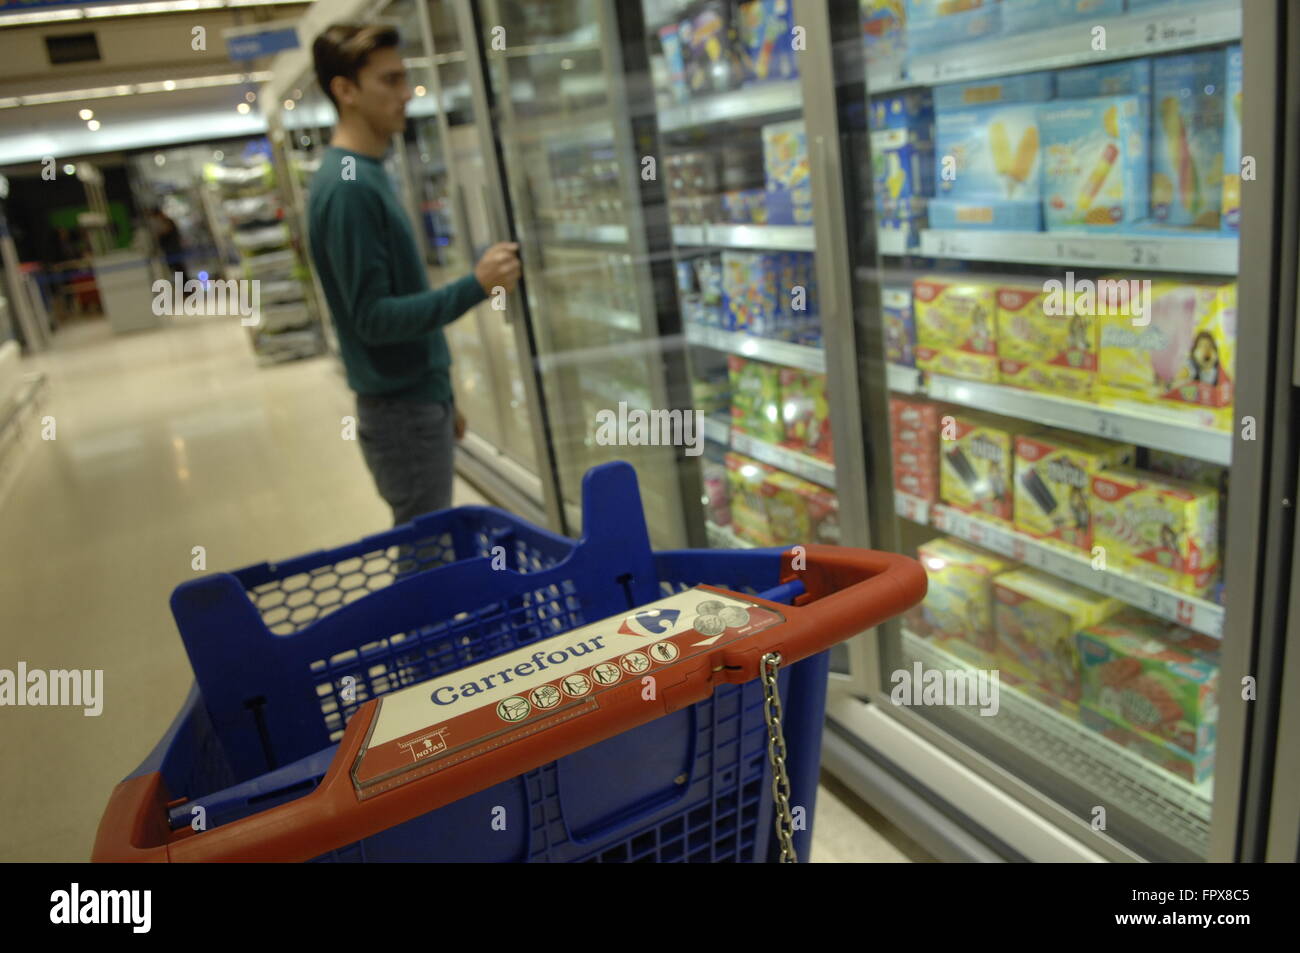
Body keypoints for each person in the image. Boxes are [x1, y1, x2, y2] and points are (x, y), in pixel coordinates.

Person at [309, 23, 520, 527]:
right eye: (391, 81)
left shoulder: (364, 172)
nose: (407, 94)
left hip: (413, 404)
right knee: (428, 563)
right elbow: (373, 319)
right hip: (401, 412)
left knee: (431, 554)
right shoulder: (350, 187)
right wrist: (477, 284)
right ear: (346, 91)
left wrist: (441, 396)